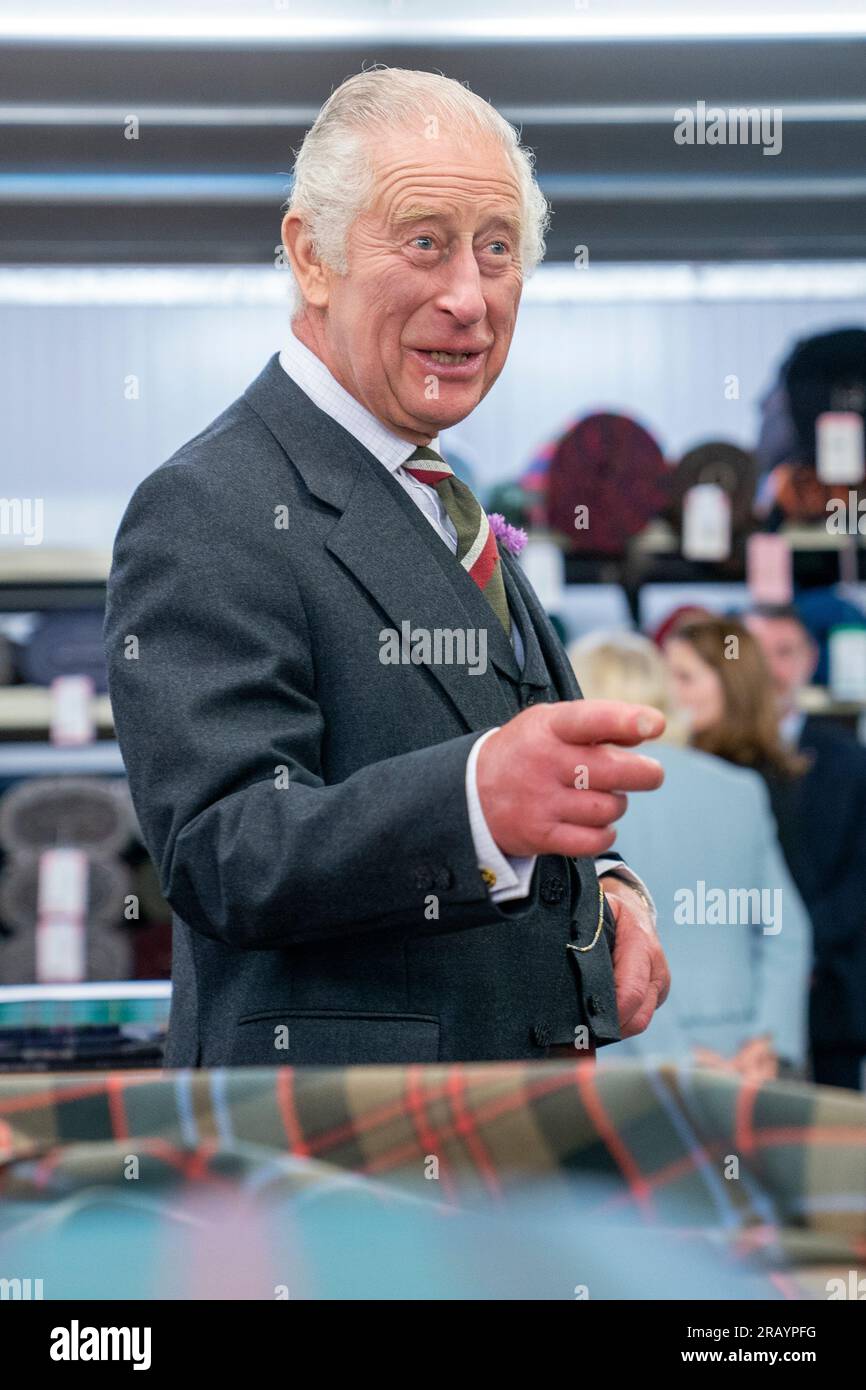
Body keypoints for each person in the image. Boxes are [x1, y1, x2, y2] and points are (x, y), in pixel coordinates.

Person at [104, 68, 669, 1069]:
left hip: (508, 1154)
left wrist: (604, 889)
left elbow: (484, 772)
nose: (468, 297)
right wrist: (474, 801)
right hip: (337, 1177)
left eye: (497, 249)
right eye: (423, 242)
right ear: (309, 256)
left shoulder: (438, 494)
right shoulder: (209, 503)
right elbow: (222, 851)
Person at [570, 632, 811, 1079]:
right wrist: (768, 1040)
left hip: (627, 1052)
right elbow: (786, 930)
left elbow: (602, 941)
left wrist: (675, 1057)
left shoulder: (580, 798)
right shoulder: (739, 789)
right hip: (742, 1051)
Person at [745, 604, 866, 1091]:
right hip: (745, 986)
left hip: (833, 989)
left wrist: (803, 949)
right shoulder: (716, 759)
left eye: (785, 652)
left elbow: (860, 874)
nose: (773, 670)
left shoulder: (849, 762)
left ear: (810, 660)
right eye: (757, 654)